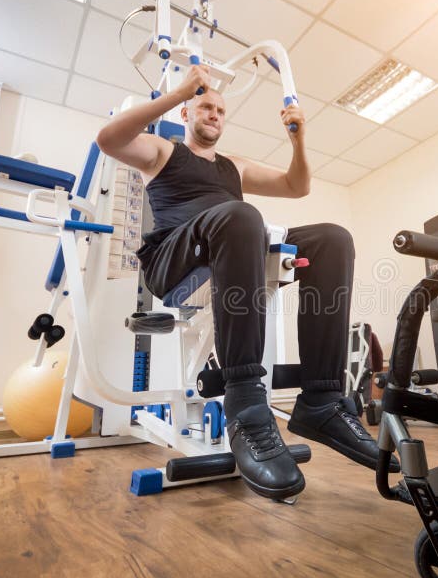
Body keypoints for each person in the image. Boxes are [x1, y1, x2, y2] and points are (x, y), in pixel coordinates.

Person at [96, 64, 396, 500]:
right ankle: (245, 400)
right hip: (174, 258)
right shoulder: (162, 152)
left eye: (220, 110)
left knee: (333, 239)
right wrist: (179, 92)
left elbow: (296, 186)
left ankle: (322, 400)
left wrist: (299, 140)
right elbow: (108, 140)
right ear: (186, 114)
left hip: (235, 243)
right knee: (240, 216)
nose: (214, 114)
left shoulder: (233, 167)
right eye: (205, 106)